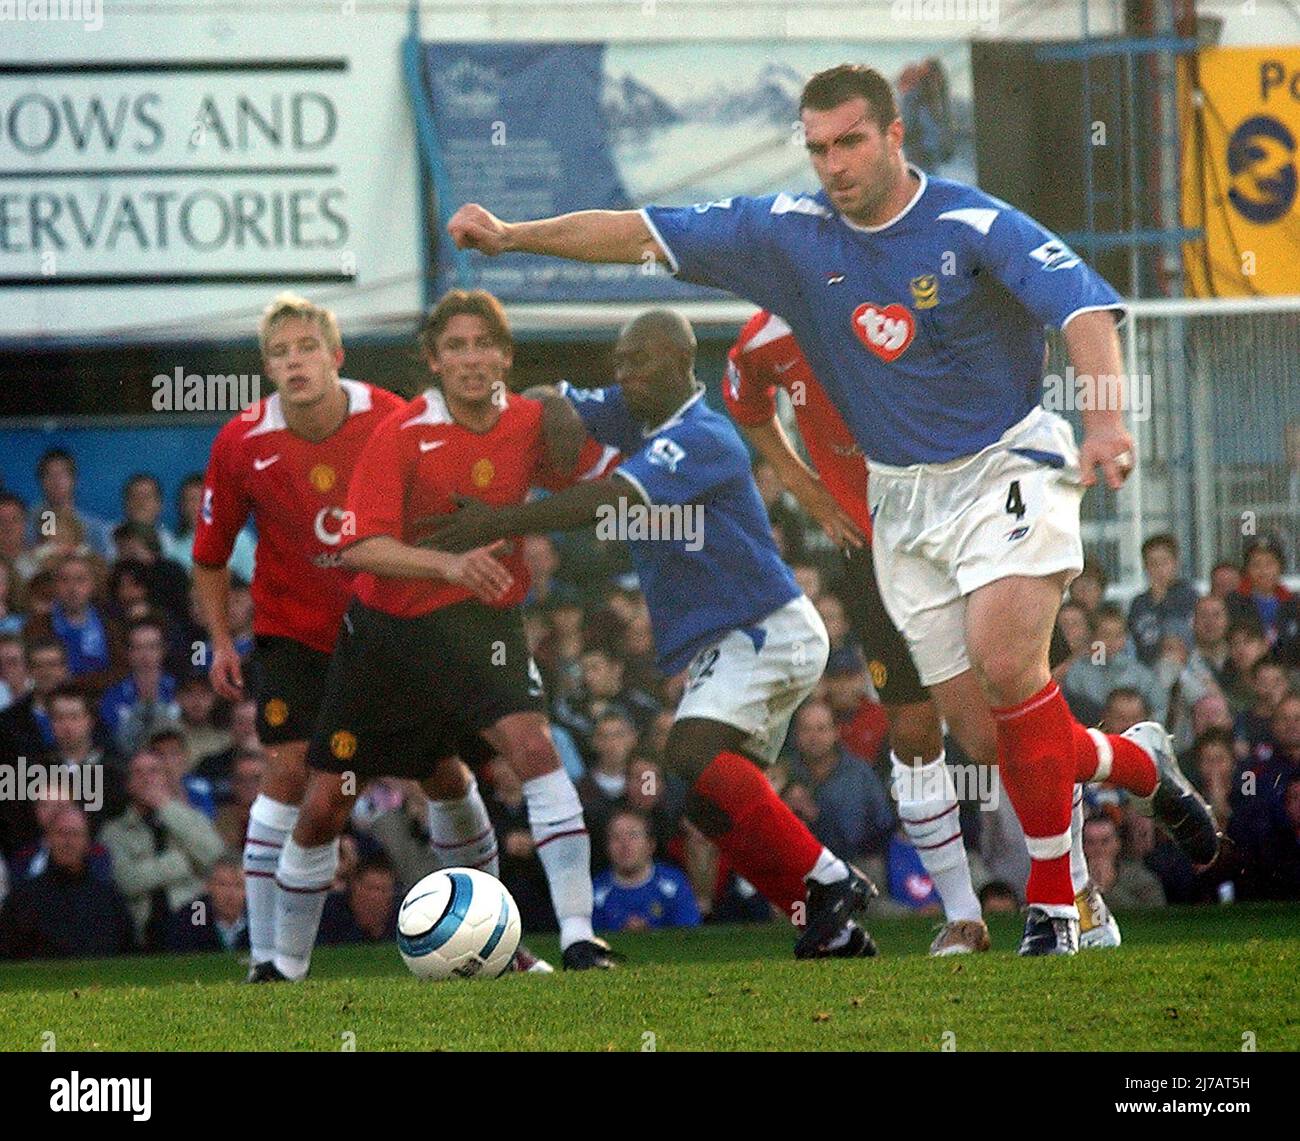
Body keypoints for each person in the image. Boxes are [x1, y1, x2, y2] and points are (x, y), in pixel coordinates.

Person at [446, 61, 1219, 954]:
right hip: (902, 499)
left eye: (851, 141)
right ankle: (1134, 757)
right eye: (817, 148)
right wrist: (512, 235)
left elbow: (1084, 309)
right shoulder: (787, 234)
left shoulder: (969, 220)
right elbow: (635, 232)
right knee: (988, 732)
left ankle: (1059, 910)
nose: (835, 164)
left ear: (895, 136)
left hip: (1010, 460)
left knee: (1010, 664)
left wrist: (1108, 418)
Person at [426, 309, 877, 959]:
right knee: (704, 803)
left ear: (677, 364)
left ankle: (832, 879)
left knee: (689, 751)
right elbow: (555, 402)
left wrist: (497, 519)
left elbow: (606, 499)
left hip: (763, 627)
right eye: (619, 362)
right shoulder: (636, 410)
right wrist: (540, 403)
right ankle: (824, 925)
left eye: (637, 362)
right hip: (731, 639)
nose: (623, 374)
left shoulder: (705, 436)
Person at [719, 308, 1109, 953]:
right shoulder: (768, 332)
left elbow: (1018, 336)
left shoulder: (905, 285)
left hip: (969, 526)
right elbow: (742, 393)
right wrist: (799, 481)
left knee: (1001, 731)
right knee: (913, 728)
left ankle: (1076, 889)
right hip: (873, 548)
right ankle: (963, 917)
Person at [272, 288, 616, 981]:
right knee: (327, 800)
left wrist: (582, 419)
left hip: (481, 624)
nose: (470, 357)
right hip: (387, 634)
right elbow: (360, 546)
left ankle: (576, 939)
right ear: (432, 360)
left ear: (505, 355)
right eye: (454, 345)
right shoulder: (401, 431)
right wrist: (451, 562)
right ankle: (280, 968)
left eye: (482, 343)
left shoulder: (528, 421)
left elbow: (600, 485)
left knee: (534, 749)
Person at [190, 293, 405, 980]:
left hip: (380, 630)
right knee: (285, 772)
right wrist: (224, 640)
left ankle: (508, 943)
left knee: (438, 771)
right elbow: (210, 553)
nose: (294, 362)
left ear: (335, 355)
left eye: (306, 347)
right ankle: (267, 960)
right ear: (267, 368)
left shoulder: (392, 418)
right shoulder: (241, 440)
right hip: (289, 632)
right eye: (279, 354)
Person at [98, 747, 226, 951]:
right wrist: (184, 863)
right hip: (143, 923)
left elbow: (216, 857)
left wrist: (166, 808)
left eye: (154, 771)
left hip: (193, 916)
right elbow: (127, 881)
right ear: (129, 784)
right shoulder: (114, 832)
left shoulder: (192, 818)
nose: (146, 779)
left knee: (199, 909)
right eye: (138, 773)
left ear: (166, 779)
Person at [0, 805, 134, 960]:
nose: (68, 842)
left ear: (87, 841)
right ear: (48, 839)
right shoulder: (23, 898)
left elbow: (127, 952)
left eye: (76, 834)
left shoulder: (109, 898)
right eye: (61, 834)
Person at [788, 699, 894, 863]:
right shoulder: (785, 773)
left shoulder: (859, 773)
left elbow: (883, 825)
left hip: (857, 863)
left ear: (836, 731)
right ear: (796, 733)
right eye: (806, 729)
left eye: (821, 729)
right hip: (798, 865)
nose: (813, 737)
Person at [592, 809, 701, 932]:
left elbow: (690, 934)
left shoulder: (674, 884)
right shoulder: (595, 892)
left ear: (651, 845)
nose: (624, 844)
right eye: (616, 837)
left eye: (633, 835)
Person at [98, 615, 181, 756]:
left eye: (152, 647)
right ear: (128, 653)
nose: (145, 655)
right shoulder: (112, 697)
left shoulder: (179, 690)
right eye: (138, 648)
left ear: (163, 650)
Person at [26, 448, 115, 559]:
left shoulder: (93, 527)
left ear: (73, 479)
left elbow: (105, 562)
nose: (56, 481)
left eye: (62, 474)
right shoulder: (27, 523)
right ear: (41, 481)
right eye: (49, 475)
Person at [1127, 534, 1199, 667]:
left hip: (1184, 665)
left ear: (1175, 563)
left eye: (1164, 562)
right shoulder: (1139, 603)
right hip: (1146, 667)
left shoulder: (1188, 596)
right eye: (1153, 564)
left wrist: (1161, 600)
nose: (1159, 569)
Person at [165, 855, 249, 953]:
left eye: (238, 885)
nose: (230, 894)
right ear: (208, 887)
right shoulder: (189, 917)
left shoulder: (262, 917)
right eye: (223, 885)